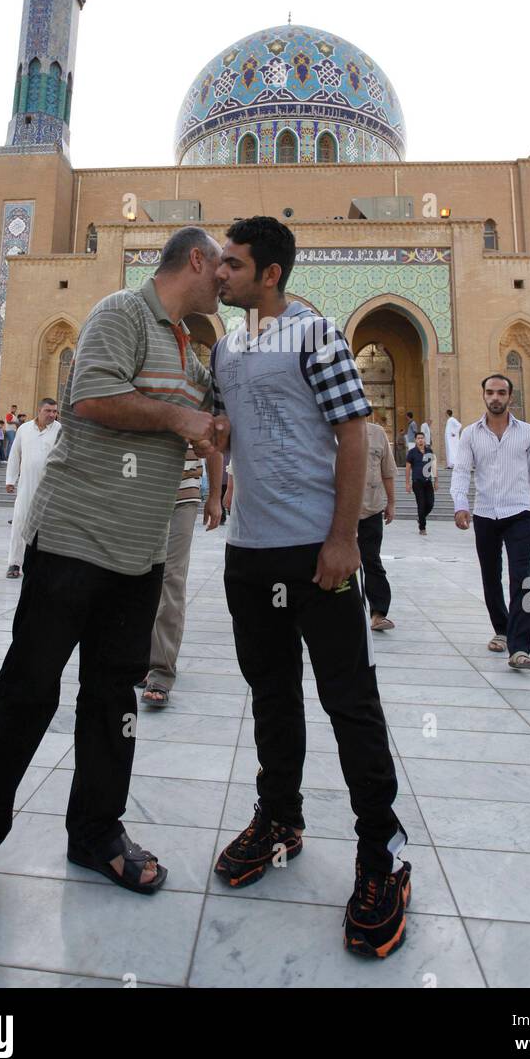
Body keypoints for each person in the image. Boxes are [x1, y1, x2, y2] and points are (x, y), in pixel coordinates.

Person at [0, 225, 229, 925]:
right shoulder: (122, 314)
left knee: (112, 701)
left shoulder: (195, 345)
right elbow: (92, 398)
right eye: (221, 265)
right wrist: (176, 416)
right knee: (28, 693)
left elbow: (207, 425)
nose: (227, 278)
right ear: (195, 259)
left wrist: (217, 471)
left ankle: (95, 831)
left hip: (140, 553)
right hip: (74, 540)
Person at [211, 216, 410, 961]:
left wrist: (342, 538)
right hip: (252, 554)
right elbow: (224, 427)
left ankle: (380, 854)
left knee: (348, 701)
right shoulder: (228, 347)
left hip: (315, 555)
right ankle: (279, 818)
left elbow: (353, 429)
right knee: (271, 695)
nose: (219, 273)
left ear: (269, 274)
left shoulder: (314, 335)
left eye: (232, 264)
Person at [452, 374, 530, 671]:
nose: (495, 397)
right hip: (485, 514)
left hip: (519, 514)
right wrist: (460, 505)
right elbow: (461, 472)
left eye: (501, 392)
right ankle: (502, 629)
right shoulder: (470, 434)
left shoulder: (527, 434)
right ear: (483, 395)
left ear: (510, 396)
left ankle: (520, 647)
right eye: (490, 392)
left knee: (522, 579)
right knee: (491, 577)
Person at [139, 444, 222, 706]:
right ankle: (141, 659)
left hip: (183, 497)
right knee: (137, 578)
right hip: (140, 495)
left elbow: (214, 446)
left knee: (171, 580)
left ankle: (161, 672)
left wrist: (215, 497)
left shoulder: (199, 401)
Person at [5, 398, 61, 578]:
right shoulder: (24, 429)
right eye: (48, 411)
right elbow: (15, 454)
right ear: (39, 410)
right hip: (26, 486)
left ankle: (45, 565)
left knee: (49, 527)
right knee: (20, 522)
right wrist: (10, 479)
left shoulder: (60, 430)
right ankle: (14, 563)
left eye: (54, 411)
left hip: (50, 487)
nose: (52, 414)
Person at [358, 416, 397, 632]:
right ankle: (349, 612)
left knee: (371, 561)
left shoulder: (378, 433)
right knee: (340, 564)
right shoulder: (331, 430)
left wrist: (391, 503)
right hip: (338, 511)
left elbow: (388, 472)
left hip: (371, 510)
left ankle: (378, 613)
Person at [406, 437, 437, 534]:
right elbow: (408, 468)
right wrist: (407, 483)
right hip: (417, 482)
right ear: (415, 440)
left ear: (424, 440)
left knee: (430, 504)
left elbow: (433, 465)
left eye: (422, 438)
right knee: (421, 504)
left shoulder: (429, 451)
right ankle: (422, 528)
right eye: (418, 438)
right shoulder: (412, 452)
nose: (420, 440)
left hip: (428, 482)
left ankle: (421, 517)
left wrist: (436, 481)